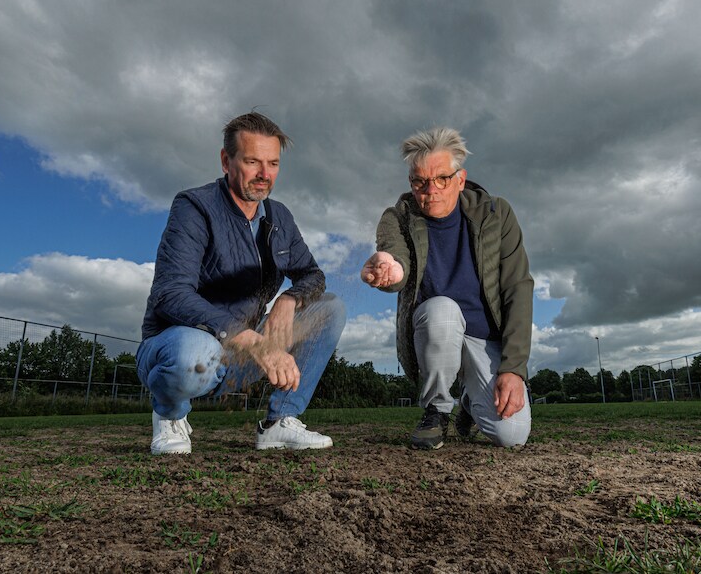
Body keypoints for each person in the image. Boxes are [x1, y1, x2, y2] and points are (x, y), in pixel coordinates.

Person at [136, 111, 345, 455]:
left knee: (331, 308)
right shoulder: (194, 206)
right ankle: (169, 415)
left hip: (239, 355)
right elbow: (169, 293)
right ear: (226, 161)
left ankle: (280, 422)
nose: (265, 175)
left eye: (273, 163)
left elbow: (313, 275)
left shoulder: (279, 217)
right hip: (180, 348)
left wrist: (289, 299)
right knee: (194, 351)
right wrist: (248, 337)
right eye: (252, 161)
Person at [361, 127, 533, 449]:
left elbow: (518, 288)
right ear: (411, 183)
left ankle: (468, 401)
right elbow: (396, 261)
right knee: (442, 309)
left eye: (442, 178)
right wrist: (388, 268)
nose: (431, 190)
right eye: (420, 182)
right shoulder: (397, 217)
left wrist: (514, 368)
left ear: (460, 179)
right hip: (437, 330)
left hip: (486, 337)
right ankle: (437, 410)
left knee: (511, 435)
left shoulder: (497, 214)